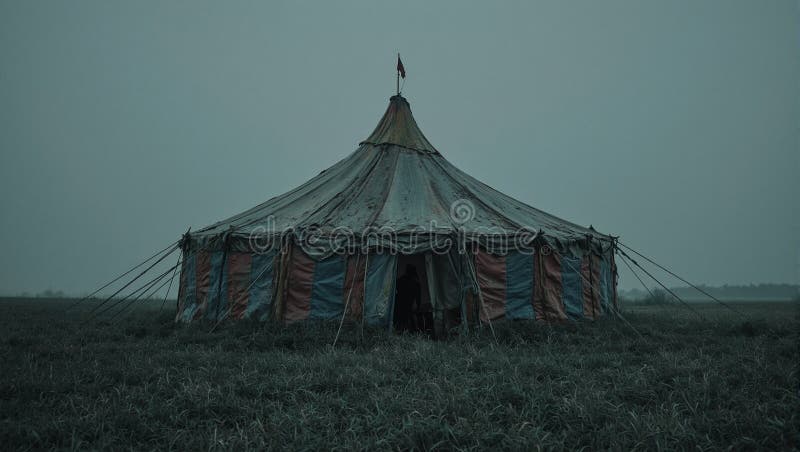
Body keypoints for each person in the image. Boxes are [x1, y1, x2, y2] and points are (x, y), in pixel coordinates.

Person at [394, 264, 421, 332]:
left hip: (403, 304)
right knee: (408, 318)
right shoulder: (414, 282)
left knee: (407, 318)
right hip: (405, 304)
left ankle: (409, 330)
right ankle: (412, 330)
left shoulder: (401, 280)